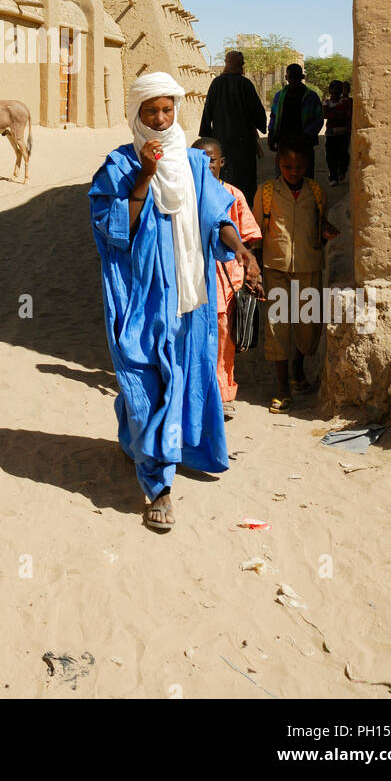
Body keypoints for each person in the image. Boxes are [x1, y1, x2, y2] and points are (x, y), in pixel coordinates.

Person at [89, 72, 262, 532]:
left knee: (181, 379)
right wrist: (146, 175)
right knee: (144, 381)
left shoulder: (194, 165)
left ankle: (156, 468)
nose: (161, 119)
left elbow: (215, 217)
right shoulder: (120, 165)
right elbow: (113, 229)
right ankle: (157, 480)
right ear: (137, 115)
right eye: (152, 111)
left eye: (167, 110)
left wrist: (240, 247)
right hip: (140, 297)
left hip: (190, 298)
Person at [256, 135, 338, 414]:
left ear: (307, 166)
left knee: (307, 324)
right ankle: (282, 388)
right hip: (275, 268)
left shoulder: (316, 192)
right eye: (288, 166)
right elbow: (256, 233)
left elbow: (319, 224)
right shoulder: (266, 192)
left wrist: (326, 230)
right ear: (278, 163)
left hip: (308, 266)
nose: (293, 172)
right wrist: (253, 268)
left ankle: (297, 369)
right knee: (278, 326)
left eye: (299, 167)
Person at [192, 138, 262, 422]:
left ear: (221, 162)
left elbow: (247, 237)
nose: (206, 165)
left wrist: (250, 268)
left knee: (224, 338)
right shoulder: (184, 198)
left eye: (211, 159)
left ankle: (223, 393)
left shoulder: (233, 195)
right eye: (199, 160)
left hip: (227, 281)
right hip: (195, 278)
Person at [198, 50, 267, 207]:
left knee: (223, 177)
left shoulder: (216, 84)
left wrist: (207, 138)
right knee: (245, 181)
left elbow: (207, 112)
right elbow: (258, 113)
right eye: (241, 63)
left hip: (221, 141)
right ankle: (244, 212)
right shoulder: (245, 84)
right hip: (244, 144)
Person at [267, 65, 323, 179]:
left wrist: (307, 135)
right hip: (283, 142)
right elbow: (273, 116)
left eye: (297, 77)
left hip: (304, 144)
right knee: (281, 178)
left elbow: (318, 119)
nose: (293, 80)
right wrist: (271, 133)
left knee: (305, 178)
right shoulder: (279, 96)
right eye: (291, 77)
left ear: (302, 77)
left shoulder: (311, 97)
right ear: (286, 77)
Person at [322, 80, 353, 184]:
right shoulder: (327, 102)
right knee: (331, 156)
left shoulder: (345, 101)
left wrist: (335, 112)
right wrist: (339, 113)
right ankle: (333, 176)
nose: (335, 91)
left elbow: (346, 113)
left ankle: (342, 171)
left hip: (343, 134)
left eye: (338, 89)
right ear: (329, 90)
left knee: (343, 155)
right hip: (331, 135)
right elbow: (325, 114)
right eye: (333, 89)